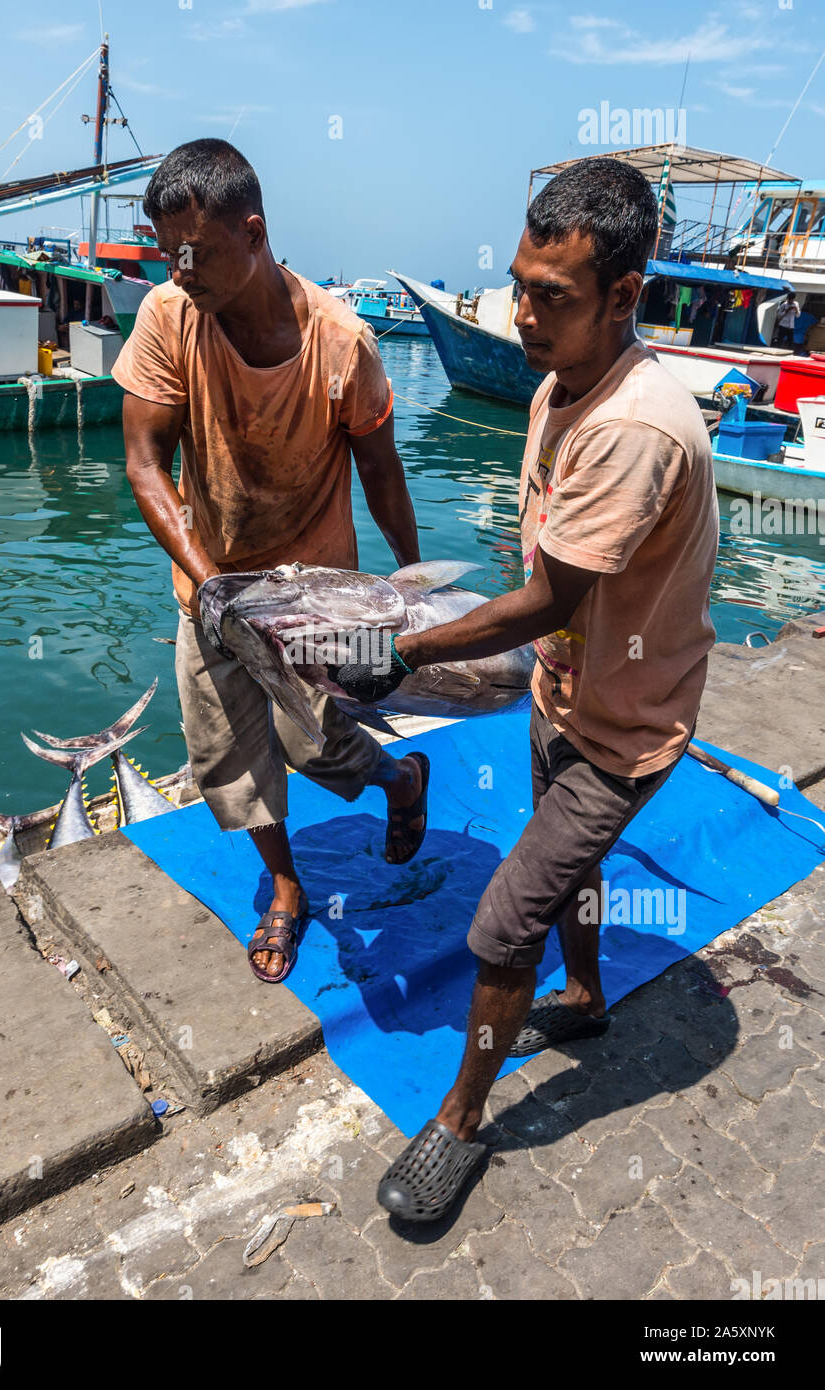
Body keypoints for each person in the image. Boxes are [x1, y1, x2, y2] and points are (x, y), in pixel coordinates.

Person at [330, 156, 719, 1222]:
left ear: (625, 297)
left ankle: (459, 1123)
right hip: (566, 692)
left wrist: (402, 655)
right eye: (519, 286)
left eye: (553, 298)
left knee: (507, 922)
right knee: (565, 864)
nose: (525, 315)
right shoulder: (557, 383)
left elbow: (547, 595)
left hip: (626, 721)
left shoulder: (636, 424)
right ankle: (587, 995)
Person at [113, 139, 430, 984]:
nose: (182, 272)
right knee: (230, 760)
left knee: (318, 743)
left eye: (200, 253)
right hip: (210, 584)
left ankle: (399, 778)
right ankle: (285, 885)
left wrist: (409, 585)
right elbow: (146, 463)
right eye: (167, 253)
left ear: (253, 232)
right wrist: (211, 585)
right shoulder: (166, 318)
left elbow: (381, 471)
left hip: (316, 594)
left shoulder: (340, 342)